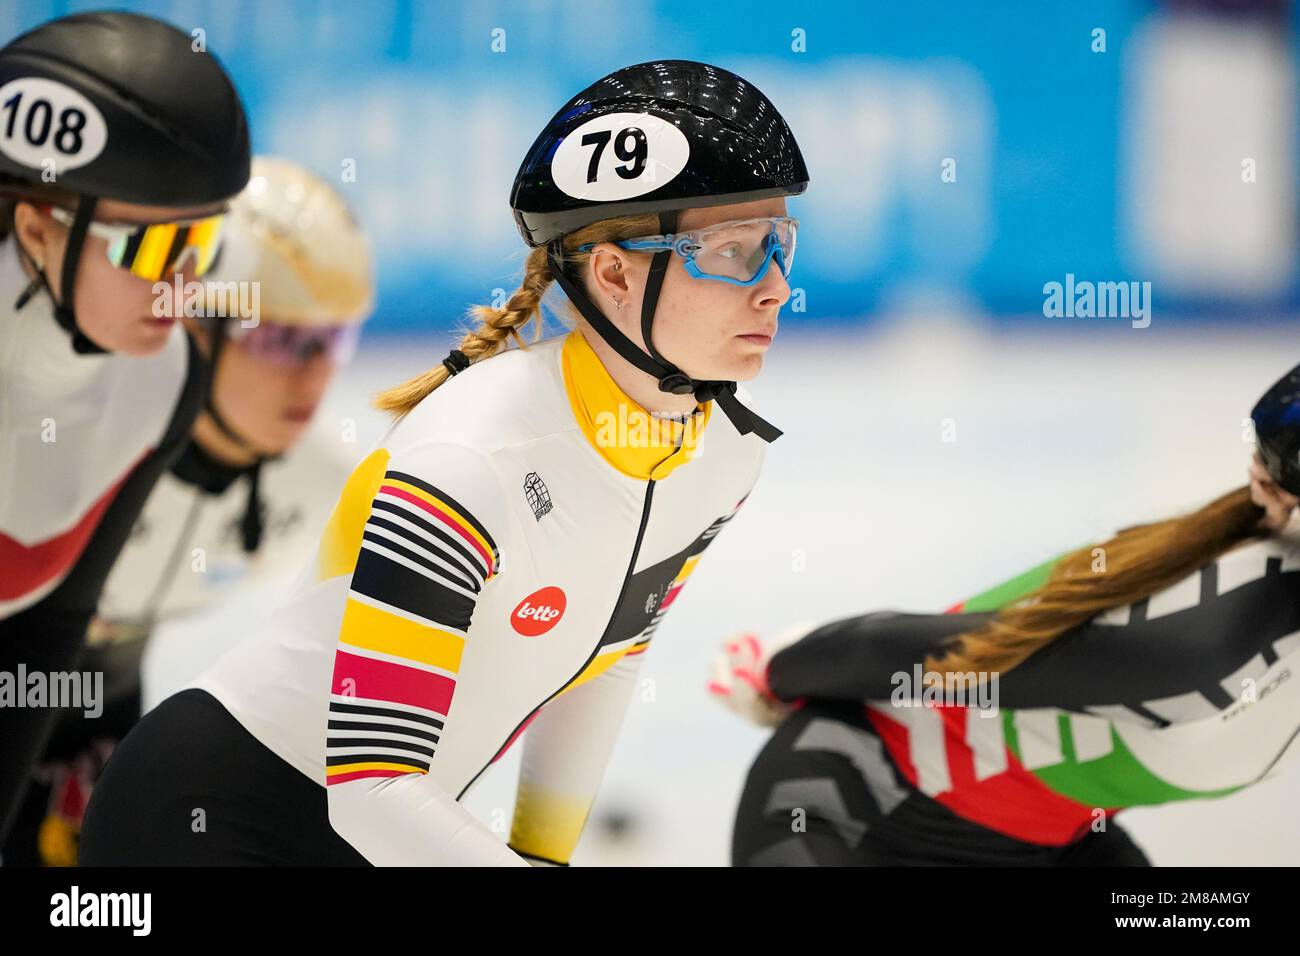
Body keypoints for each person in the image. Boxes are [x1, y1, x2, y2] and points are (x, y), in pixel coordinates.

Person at [78, 59, 810, 866]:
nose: (775, 287)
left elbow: (608, 661)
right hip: (209, 813)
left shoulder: (725, 460)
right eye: (734, 251)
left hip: (381, 836)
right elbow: (372, 781)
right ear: (613, 273)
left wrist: (542, 853)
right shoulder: (472, 452)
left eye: (780, 245)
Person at [711, 363, 1300, 866]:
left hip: (1036, 841)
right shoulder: (1224, 630)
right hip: (847, 809)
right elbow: (936, 655)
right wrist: (781, 667)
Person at [2, 157, 374, 866]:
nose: (314, 377)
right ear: (195, 325)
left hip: (103, 697)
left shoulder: (331, 481)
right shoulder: (81, 433)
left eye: (333, 342)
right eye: (280, 338)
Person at [0, 10, 250, 848]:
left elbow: (47, 634)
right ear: (37, 228)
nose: (182, 281)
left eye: (203, 241)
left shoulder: (168, 379)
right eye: (148, 249)